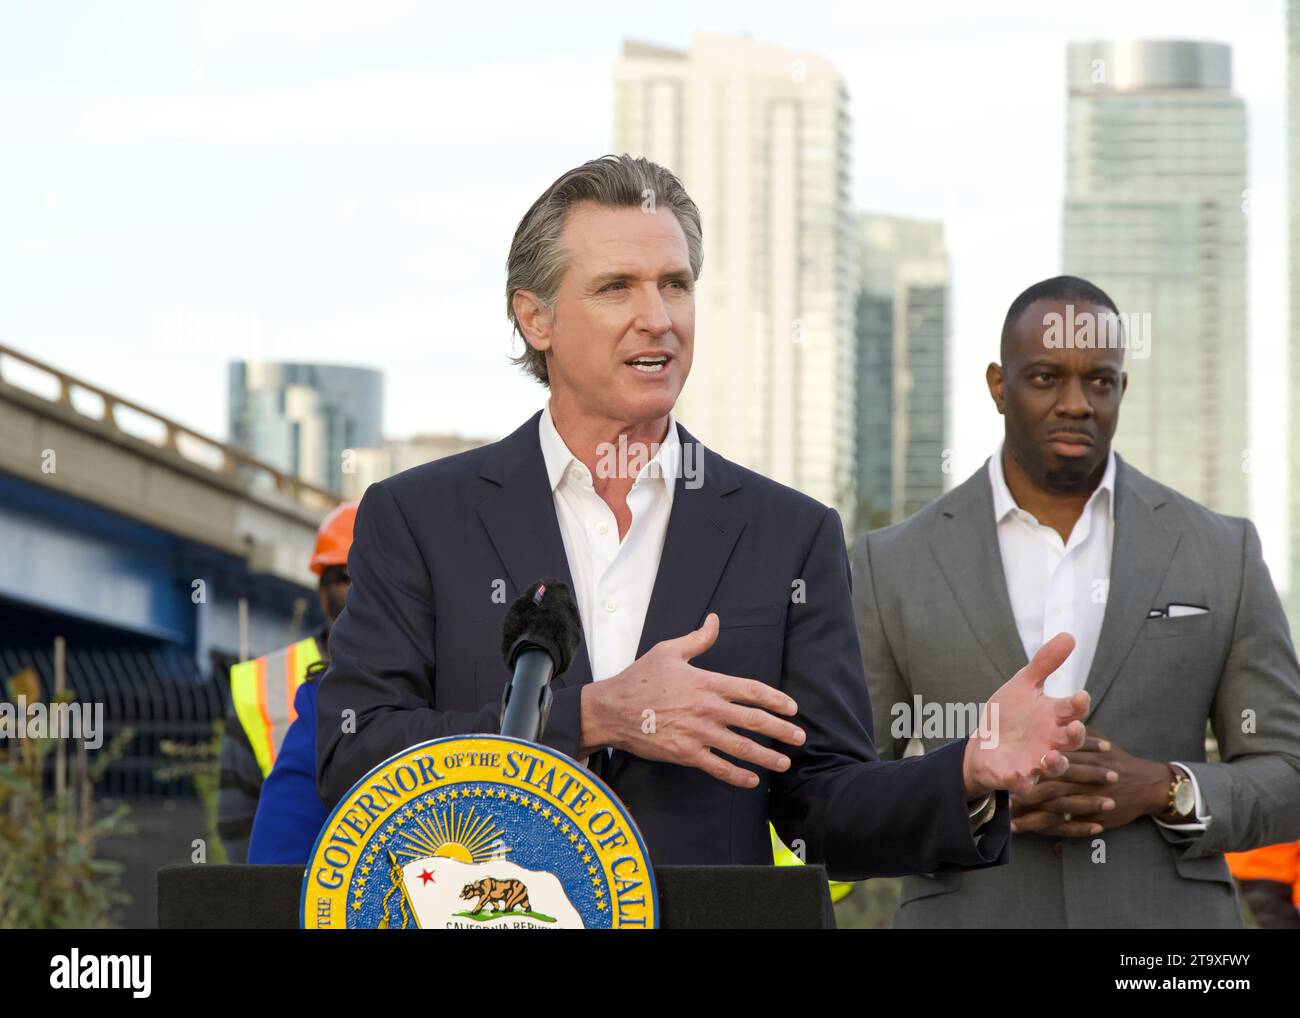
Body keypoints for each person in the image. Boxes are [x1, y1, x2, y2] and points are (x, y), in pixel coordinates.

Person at [315, 155, 1090, 880]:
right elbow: (353, 757)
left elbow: (822, 806)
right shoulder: (420, 518)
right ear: (536, 319)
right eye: (617, 286)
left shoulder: (789, 536)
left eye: (675, 285)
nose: (657, 317)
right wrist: (591, 718)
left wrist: (963, 771)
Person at [853, 275, 1300, 926]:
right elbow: (840, 793)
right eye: (1044, 378)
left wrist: (1168, 789)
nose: (1075, 403)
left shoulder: (1220, 551)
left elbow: (1288, 770)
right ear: (998, 386)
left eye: (1099, 380)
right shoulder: (891, 563)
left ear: (1122, 389)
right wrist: (972, 788)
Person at [216, 501, 355, 863]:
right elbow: (235, 815)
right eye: (343, 575)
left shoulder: (426, 672)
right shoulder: (262, 682)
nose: (355, 588)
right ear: (321, 587)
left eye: (367, 574)